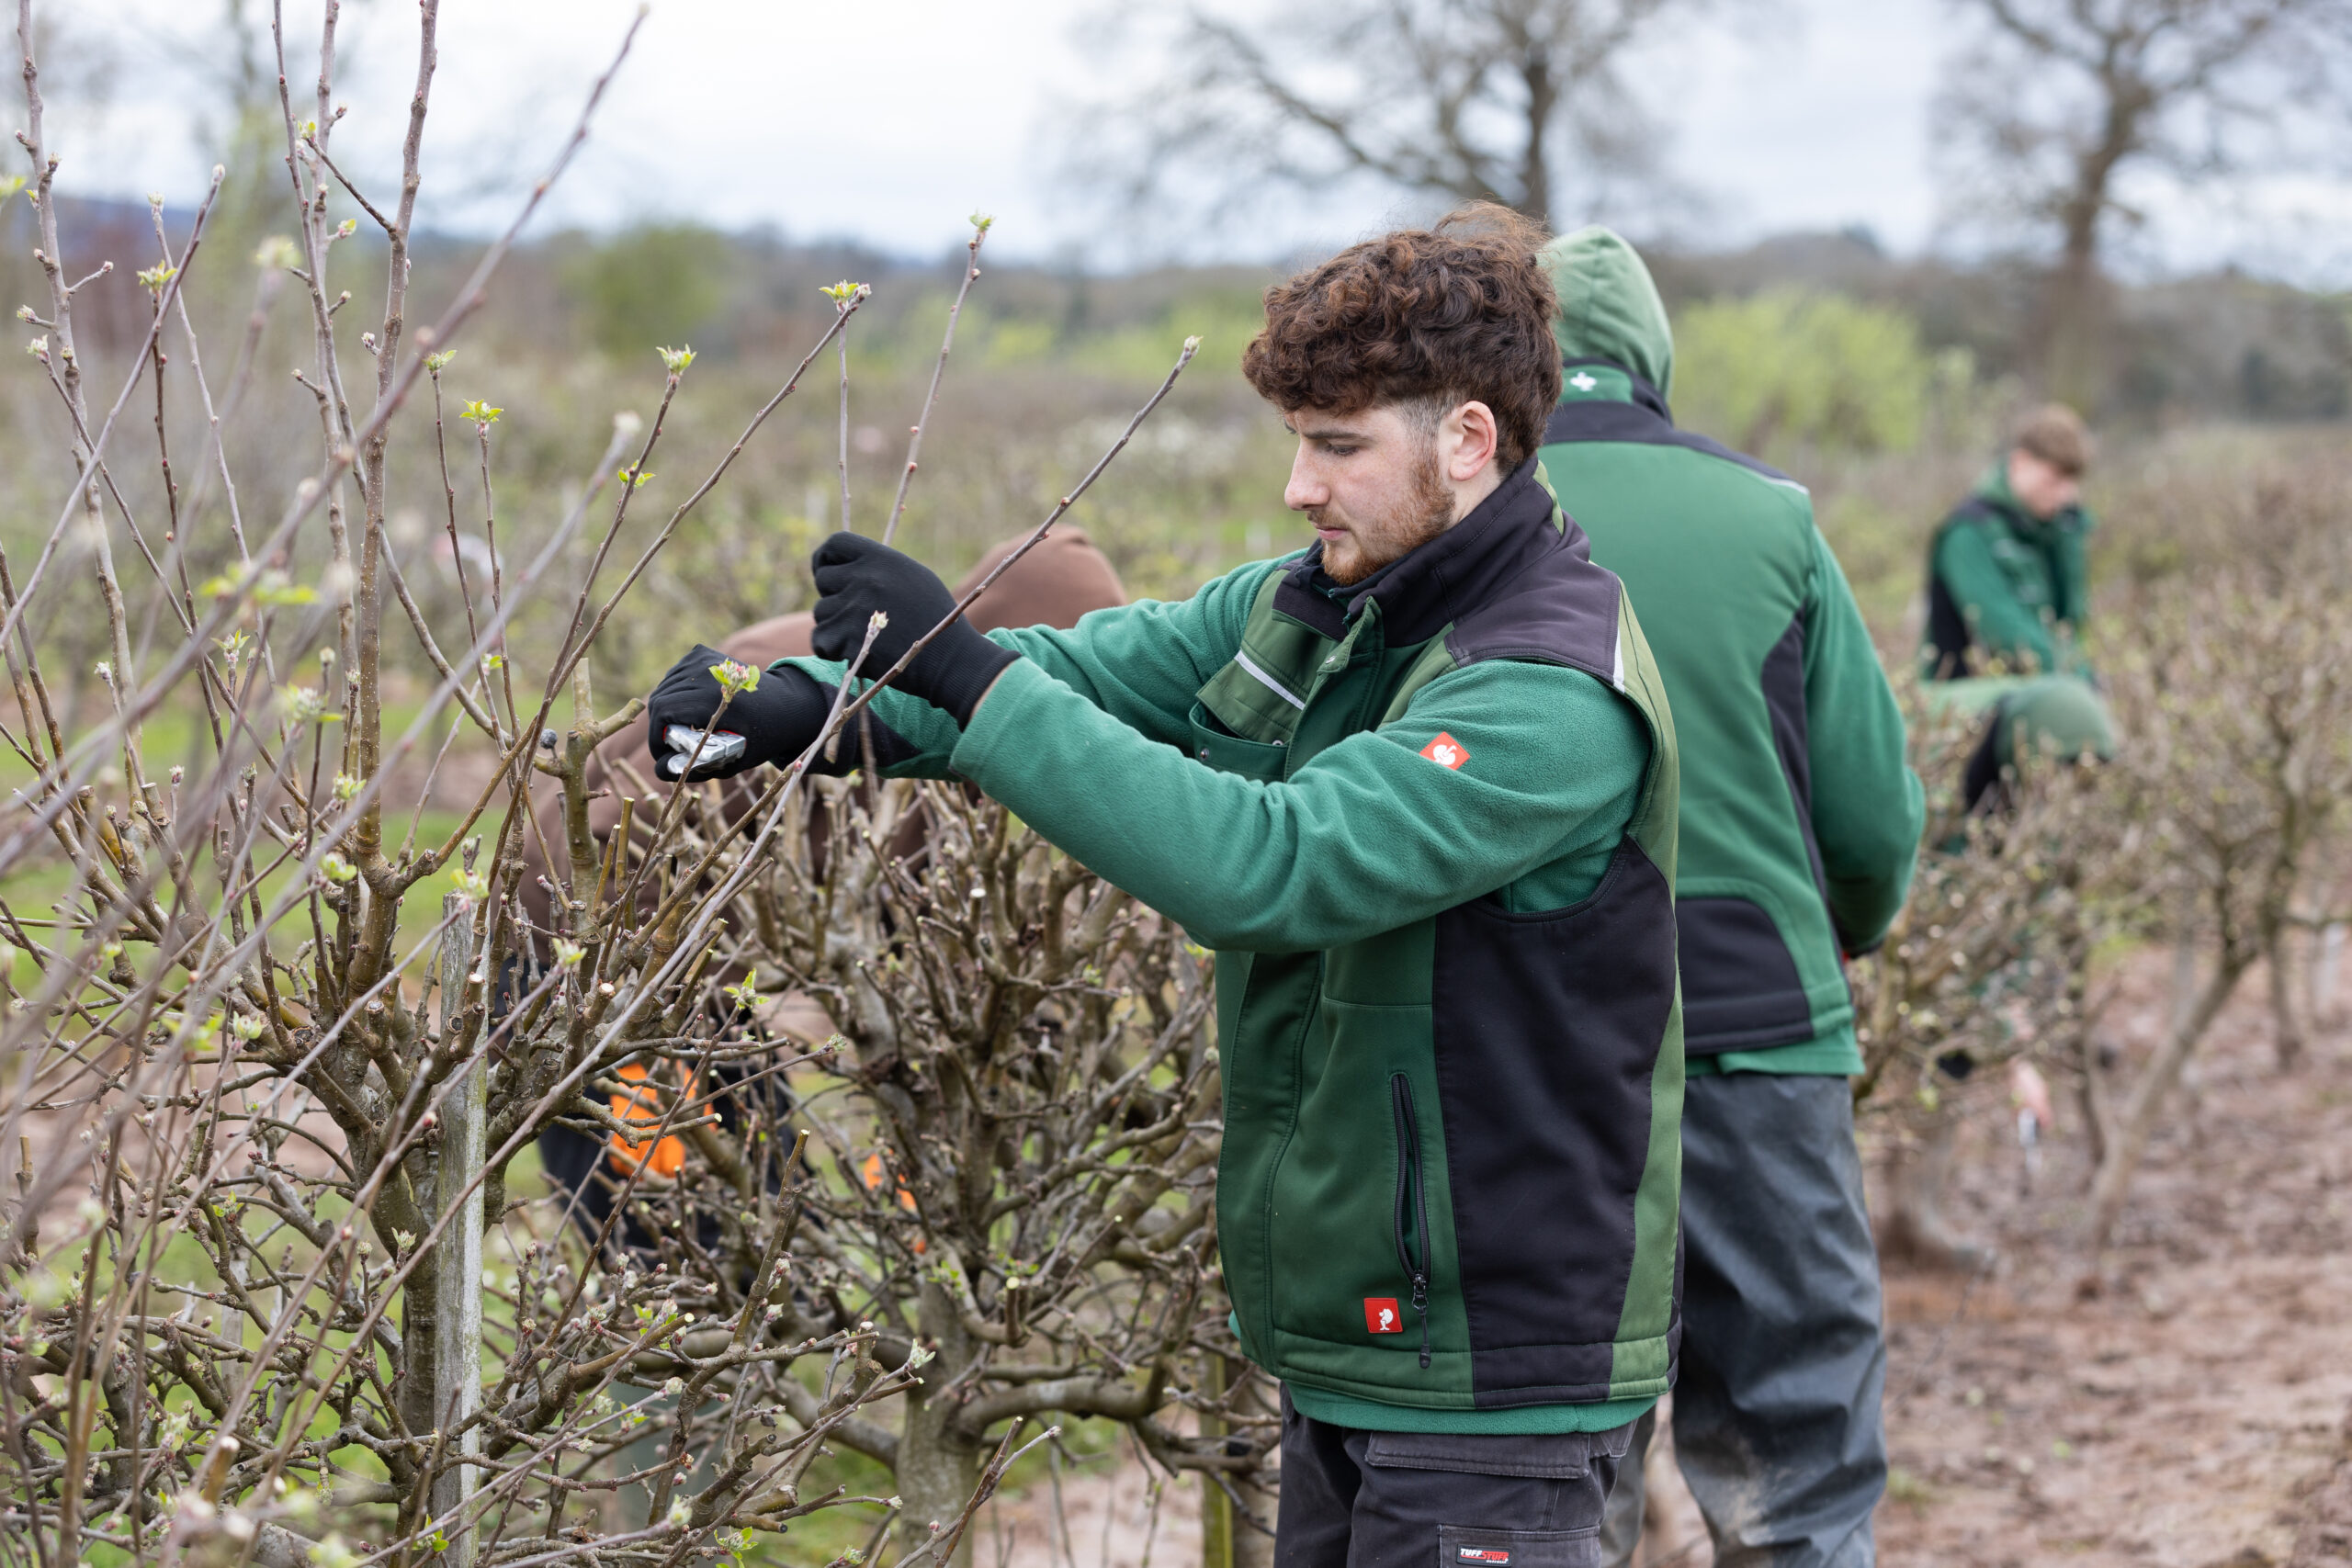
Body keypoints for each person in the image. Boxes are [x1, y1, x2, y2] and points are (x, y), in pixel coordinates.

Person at [646, 207, 1686, 1562]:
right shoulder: (1332, 602)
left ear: (1470, 441)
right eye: (1298, 443)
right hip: (1365, 1328)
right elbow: (1091, 673)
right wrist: (818, 705)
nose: (1300, 488)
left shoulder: (1543, 693)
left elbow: (1267, 866)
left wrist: (962, 669)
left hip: (1495, 1361)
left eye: (1338, 446)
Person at [1536, 226, 1924, 1568]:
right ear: (1651, 353)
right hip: (1759, 1034)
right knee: (1797, 1468)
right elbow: (1873, 817)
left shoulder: (1465, 512)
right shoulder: (1772, 514)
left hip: (1540, 1053)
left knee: (1542, 1475)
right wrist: (1844, 933)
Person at [1920, 403, 2114, 805]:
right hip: (1968, 716)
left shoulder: (2059, 530)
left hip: (2037, 706)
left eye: (2072, 482)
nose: (2065, 494)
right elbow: (2007, 633)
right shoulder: (1968, 533)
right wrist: (2079, 684)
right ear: (2021, 463)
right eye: (2055, 479)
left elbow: (2069, 623)